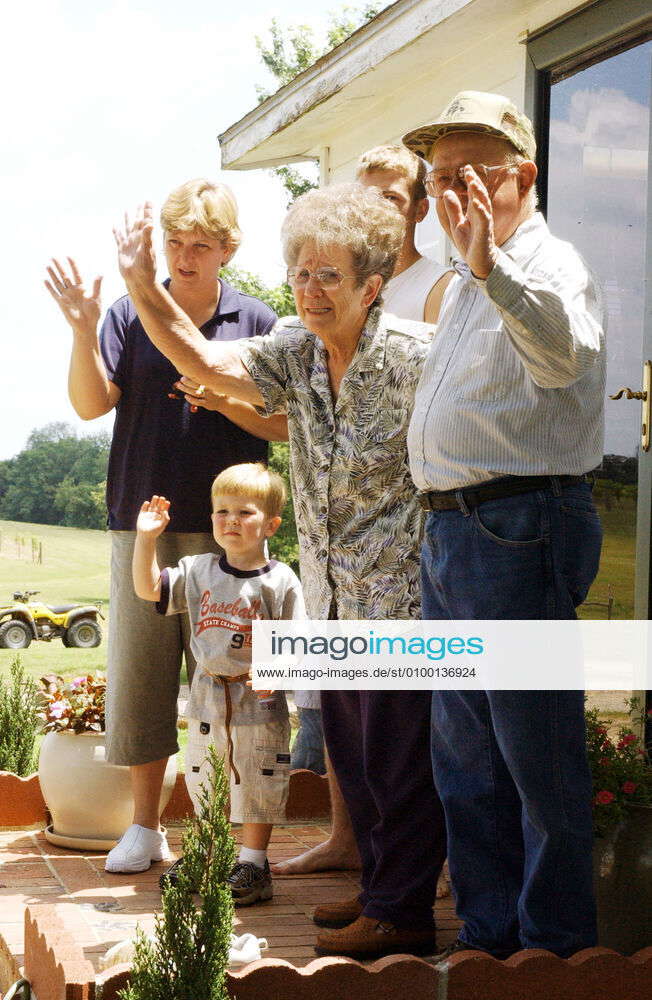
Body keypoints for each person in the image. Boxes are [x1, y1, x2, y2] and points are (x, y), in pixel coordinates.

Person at [111, 182, 447, 961]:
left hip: (398, 602)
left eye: (329, 275)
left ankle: (402, 911)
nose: (309, 289)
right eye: (299, 273)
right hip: (330, 601)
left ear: (372, 285)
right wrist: (138, 286)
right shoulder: (296, 349)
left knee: (399, 764)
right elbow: (201, 358)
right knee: (356, 760)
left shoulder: (414, 360)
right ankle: (375, 890)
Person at [402, 90, 605, 960]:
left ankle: (553, 955)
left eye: (471, 174)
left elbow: (563, 353)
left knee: (535, 758)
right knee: (466, 762)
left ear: (522, 175)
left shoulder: (548, 264)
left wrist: (492, 271)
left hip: (517, 529)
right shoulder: (463, 274)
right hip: (453, 535)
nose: (451, 192)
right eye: (439, 176)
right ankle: (489, 945)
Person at [45, 178, 287, 875]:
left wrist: (222, 400)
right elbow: (92, 405)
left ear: (228, 250)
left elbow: (283, 424)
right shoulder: (130, 312)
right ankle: (145, 829)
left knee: (239, 685)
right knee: (143, 680)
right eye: (175, 244)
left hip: (234, 534)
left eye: (201, 246)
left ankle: (243, 848)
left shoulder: (258, 323)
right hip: (143, 526)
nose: (185, 258)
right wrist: (82, 326)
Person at [275, 142, 455, 878]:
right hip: (334, 576)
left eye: (393, 193)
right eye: (366, 190)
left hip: (396, 578)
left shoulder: (436, 298)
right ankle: (368, 871)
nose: (378, 204)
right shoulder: (315, 327)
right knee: (354, 743)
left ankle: (402, 898)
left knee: (400, 748)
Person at [132, 463, 304, 904]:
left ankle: (253, 863)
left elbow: (296, 641)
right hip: (208, 694)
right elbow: (149, 588)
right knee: (205, 776)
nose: (230, 520)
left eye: (244, 512)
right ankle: (207, 853)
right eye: (221, 510)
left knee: (258, 777)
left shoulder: (281, 580)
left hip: (258, 697)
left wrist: (275, 675)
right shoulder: (198, 569)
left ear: (271, 524)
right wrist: (146, 539)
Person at [357, 143, 453, 321]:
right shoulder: (345, 285)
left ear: (421, 210)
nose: (373, 208)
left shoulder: (440, 287)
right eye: (365, 197)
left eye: (390, 198)